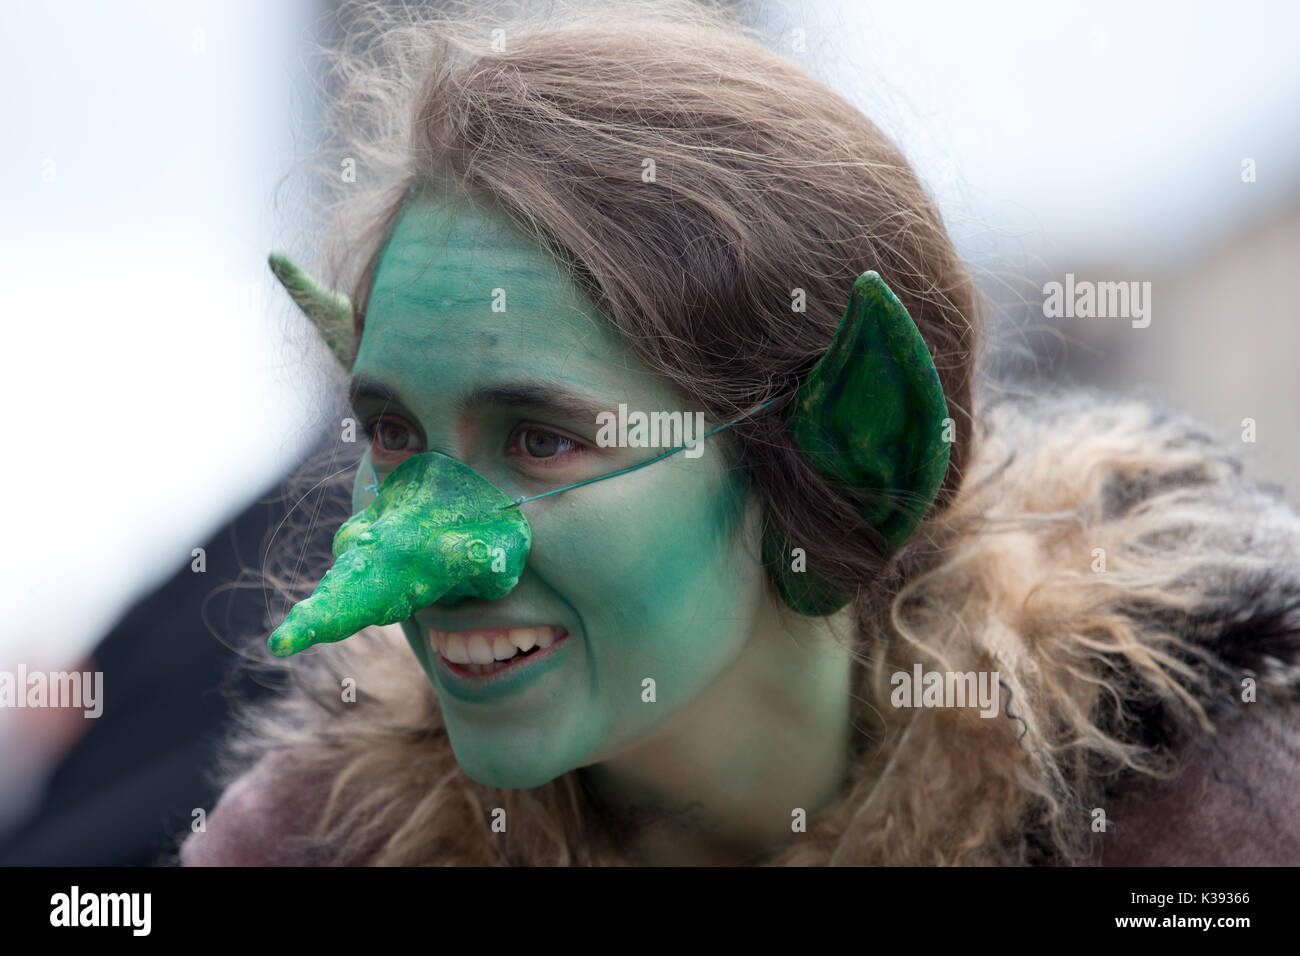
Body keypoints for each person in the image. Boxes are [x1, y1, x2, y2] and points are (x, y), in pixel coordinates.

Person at [178, 0, 1300, 866]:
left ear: (843, 453)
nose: (419, 564)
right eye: (390, 435)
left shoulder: (1202, 821)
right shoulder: (307, 851)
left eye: (541, 440)